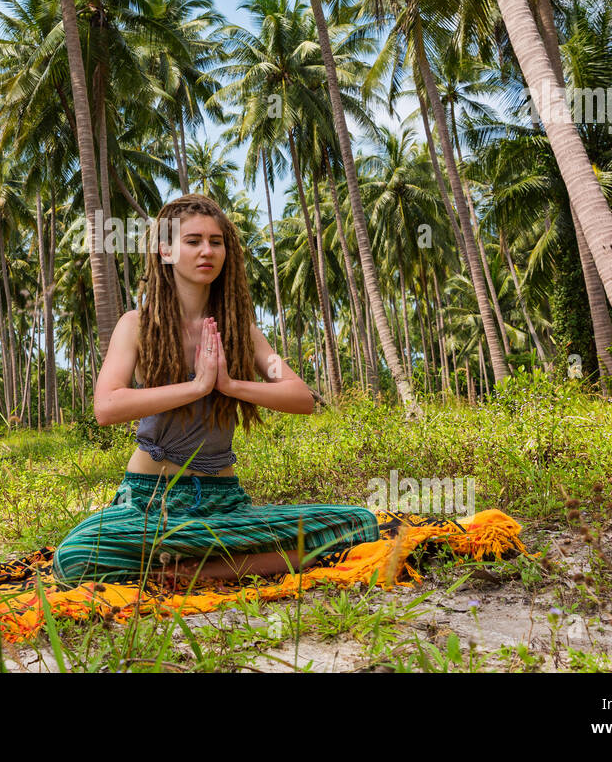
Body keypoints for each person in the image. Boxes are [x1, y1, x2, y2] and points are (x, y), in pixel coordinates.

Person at [51, 194, 379, 590]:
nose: (207, 250)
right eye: (193, 241)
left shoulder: (243, 332)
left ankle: (204, 569)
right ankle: (219, 560)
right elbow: (106, 406)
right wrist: (196, 387)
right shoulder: (136, 326)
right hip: (148, 503)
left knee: (358, 524)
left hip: (224, 503)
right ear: (166, 250)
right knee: (74, 558)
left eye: (216, 241)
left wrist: (229, 385)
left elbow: (300, 396)